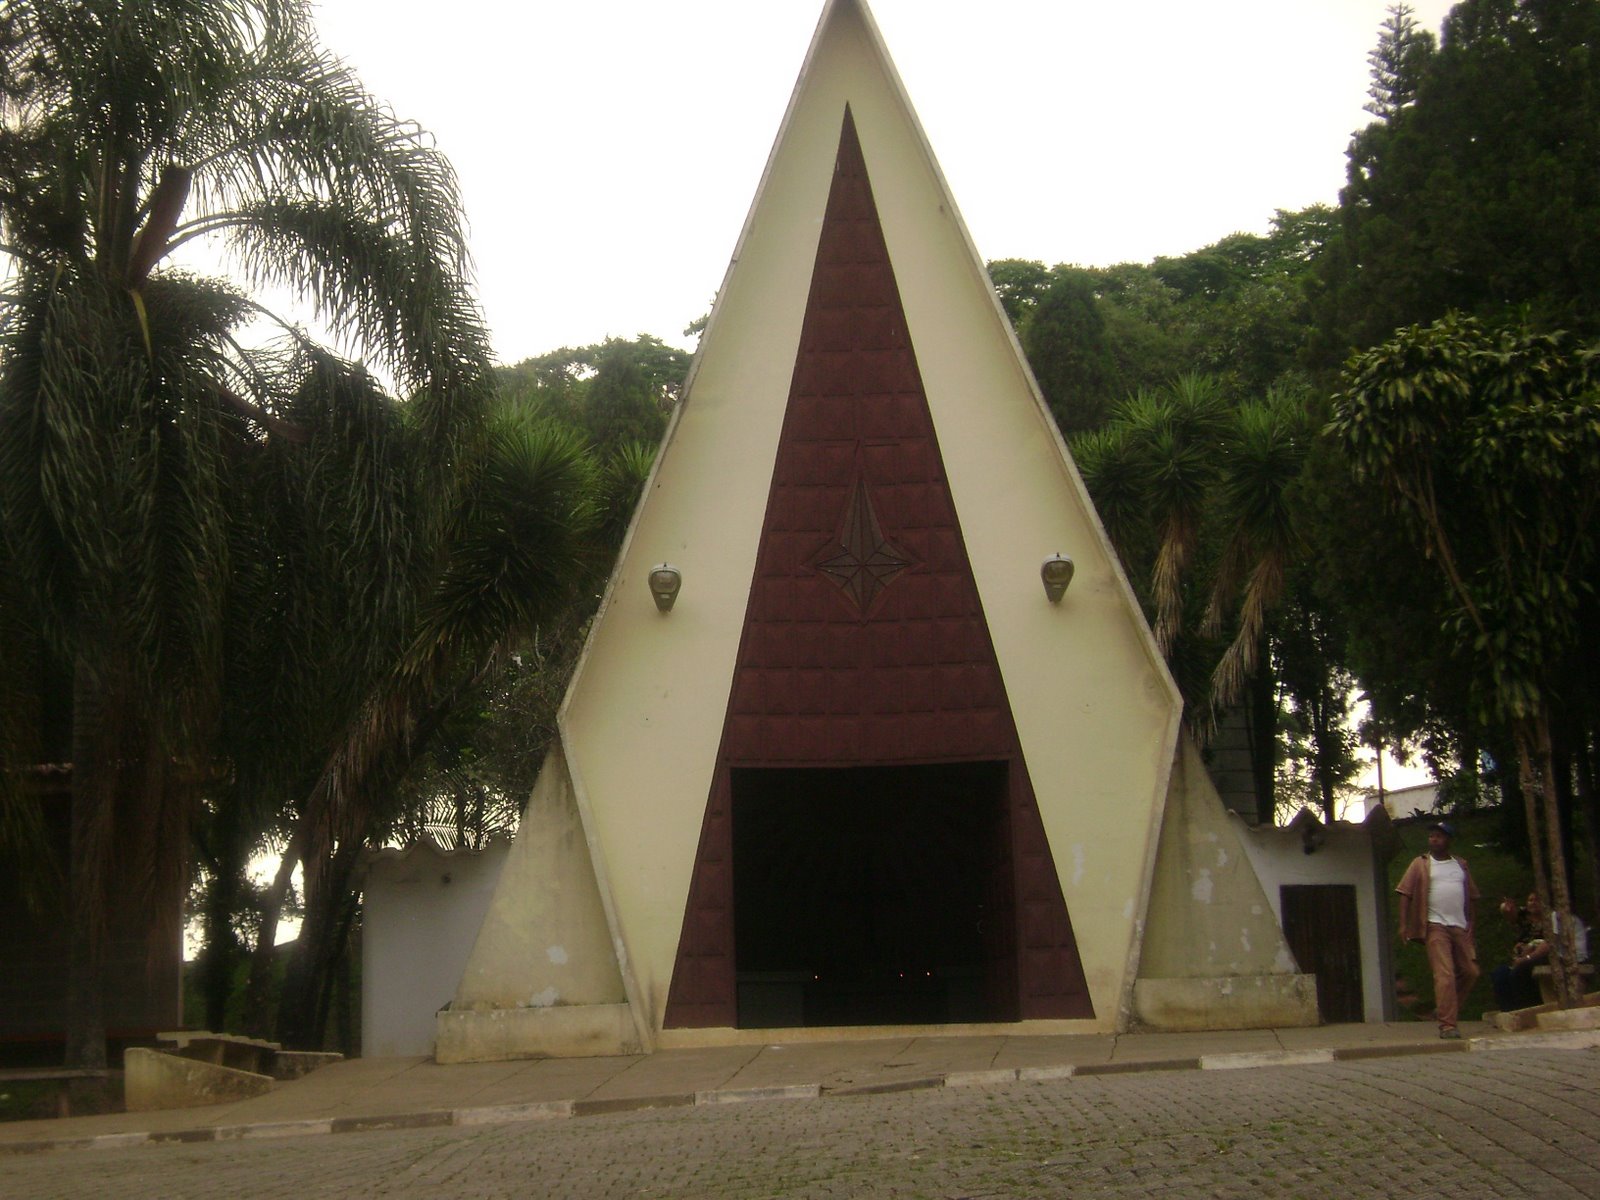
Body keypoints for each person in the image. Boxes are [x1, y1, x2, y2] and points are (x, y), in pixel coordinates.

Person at [1395, 820, 1480, 1038]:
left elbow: (1472, 896)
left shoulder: (1461, 865)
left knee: (1470, 972)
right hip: (1435, 925)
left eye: (1439, 836)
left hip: (1459, 925)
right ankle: (1448, 1025)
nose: (1433, 839)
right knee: (1445, 974)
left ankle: (1444, 1008)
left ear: (1448, 840)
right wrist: (1403, 924)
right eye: (1431, 836)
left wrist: (1471, 923)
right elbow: (1405, 893)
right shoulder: (1421, 863)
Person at [1491, 892, 1590, 1011]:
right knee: (1500, 973)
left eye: (1537, 900)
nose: (1533, 903)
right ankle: (1509, 1011)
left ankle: (1528, 1009)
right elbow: (1514, 918)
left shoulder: (1556, 916)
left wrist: (1526, 958)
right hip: (1549, 956)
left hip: (1568, 958)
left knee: (1522, 970)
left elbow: (1549, 944)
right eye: (1530, 900)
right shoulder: (1529, 922)